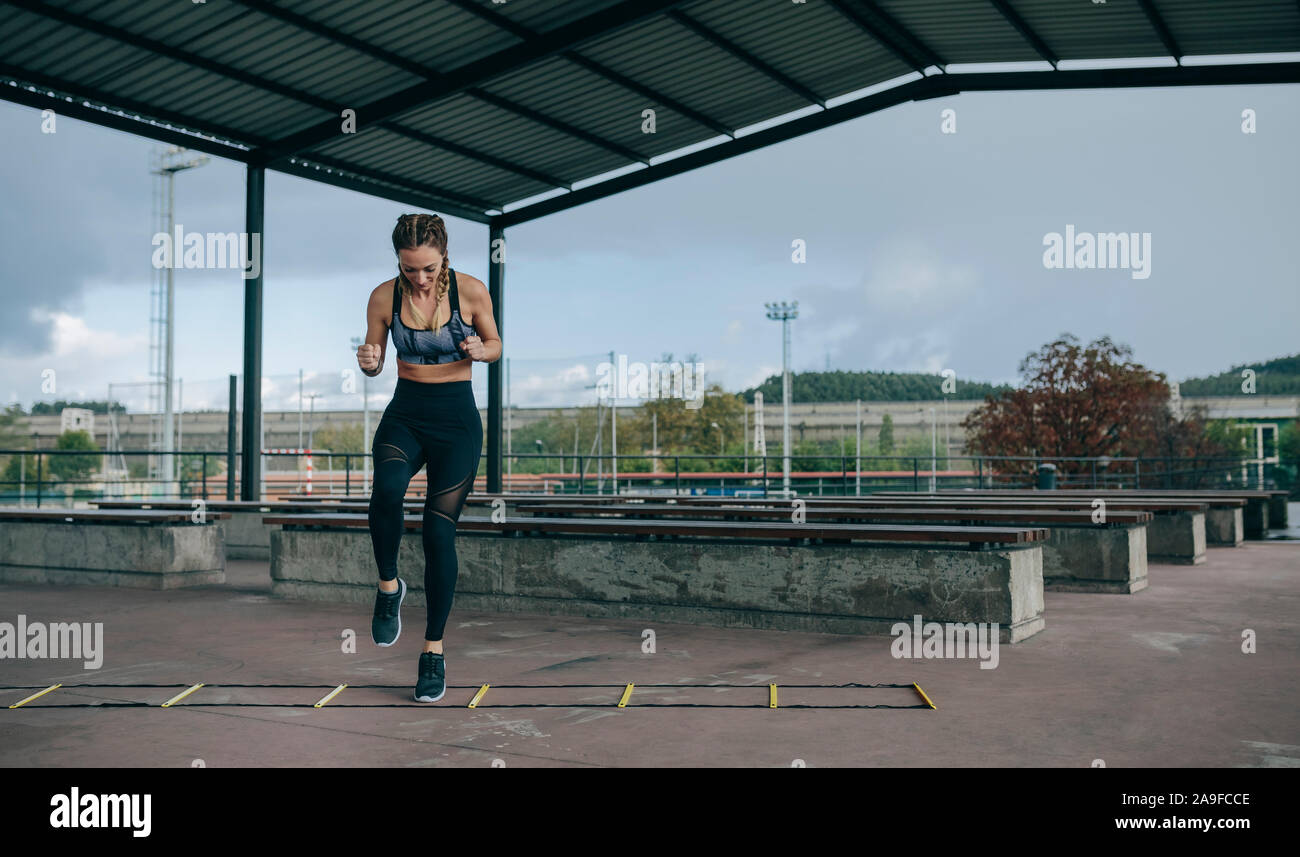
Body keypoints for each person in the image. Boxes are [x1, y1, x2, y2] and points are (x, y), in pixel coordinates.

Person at [355, 213, 501, 702]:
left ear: (444, 257)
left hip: (456, 420)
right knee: (387, 490)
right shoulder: (383, 297)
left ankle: (433, 652)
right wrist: (370, 362)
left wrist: (482, 350)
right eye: (409, 268)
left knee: (438, 532)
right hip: (407, 412)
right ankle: (388, 587)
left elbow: (496, 344)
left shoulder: (471, 291)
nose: (419, 278)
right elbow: (375, 358)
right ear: (398, 262)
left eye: (429, 268)